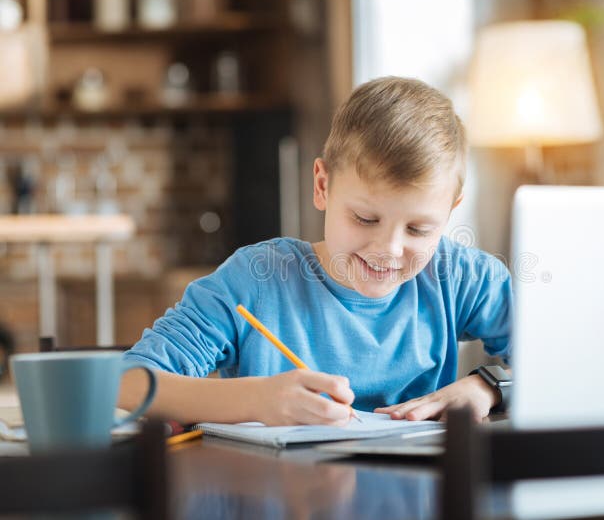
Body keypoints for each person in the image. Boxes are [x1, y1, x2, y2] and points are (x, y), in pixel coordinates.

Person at [120, 76, 512, 426]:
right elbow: (126, 384)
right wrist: (255, 400)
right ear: (323, 186)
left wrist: (489, 387)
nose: (389, 250)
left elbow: (564, 362)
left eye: (418, 229)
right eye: (364, 218)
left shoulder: (463, 279)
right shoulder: (258, 279)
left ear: (450, 211)